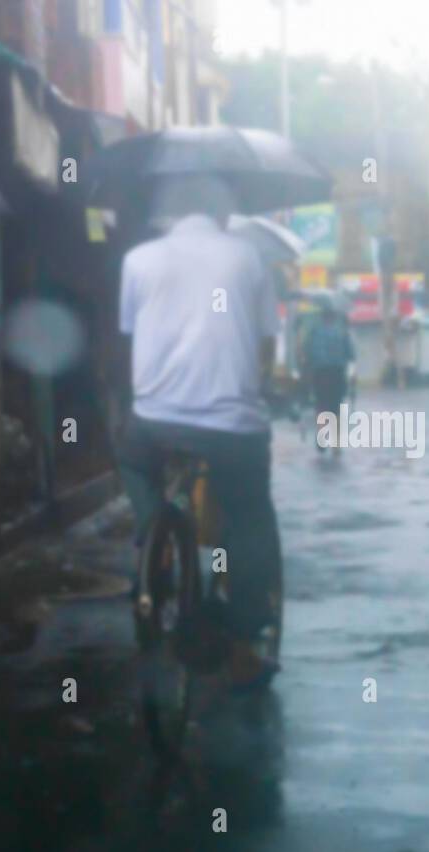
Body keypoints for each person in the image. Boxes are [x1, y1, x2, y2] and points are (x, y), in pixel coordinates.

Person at [115, 174, 282, 687]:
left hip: (155, 419)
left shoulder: (137, 260)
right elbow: (265, 348)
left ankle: (154, 536)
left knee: (130, 456)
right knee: (250, 510)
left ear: (170, 214)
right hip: (232, 426)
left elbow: (130, 334)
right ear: (222, 213)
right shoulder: (250, 257)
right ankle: (249, 625)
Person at [303, 304, 355, 453]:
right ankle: (336, 444)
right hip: (337, 373)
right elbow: (351, 354)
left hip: (319, 373)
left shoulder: (314, 333)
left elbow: (307, 352)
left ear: (322, 317)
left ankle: (321, 436)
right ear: (334, 317)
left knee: (321, 404)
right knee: (336, 407)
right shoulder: (342, 333)